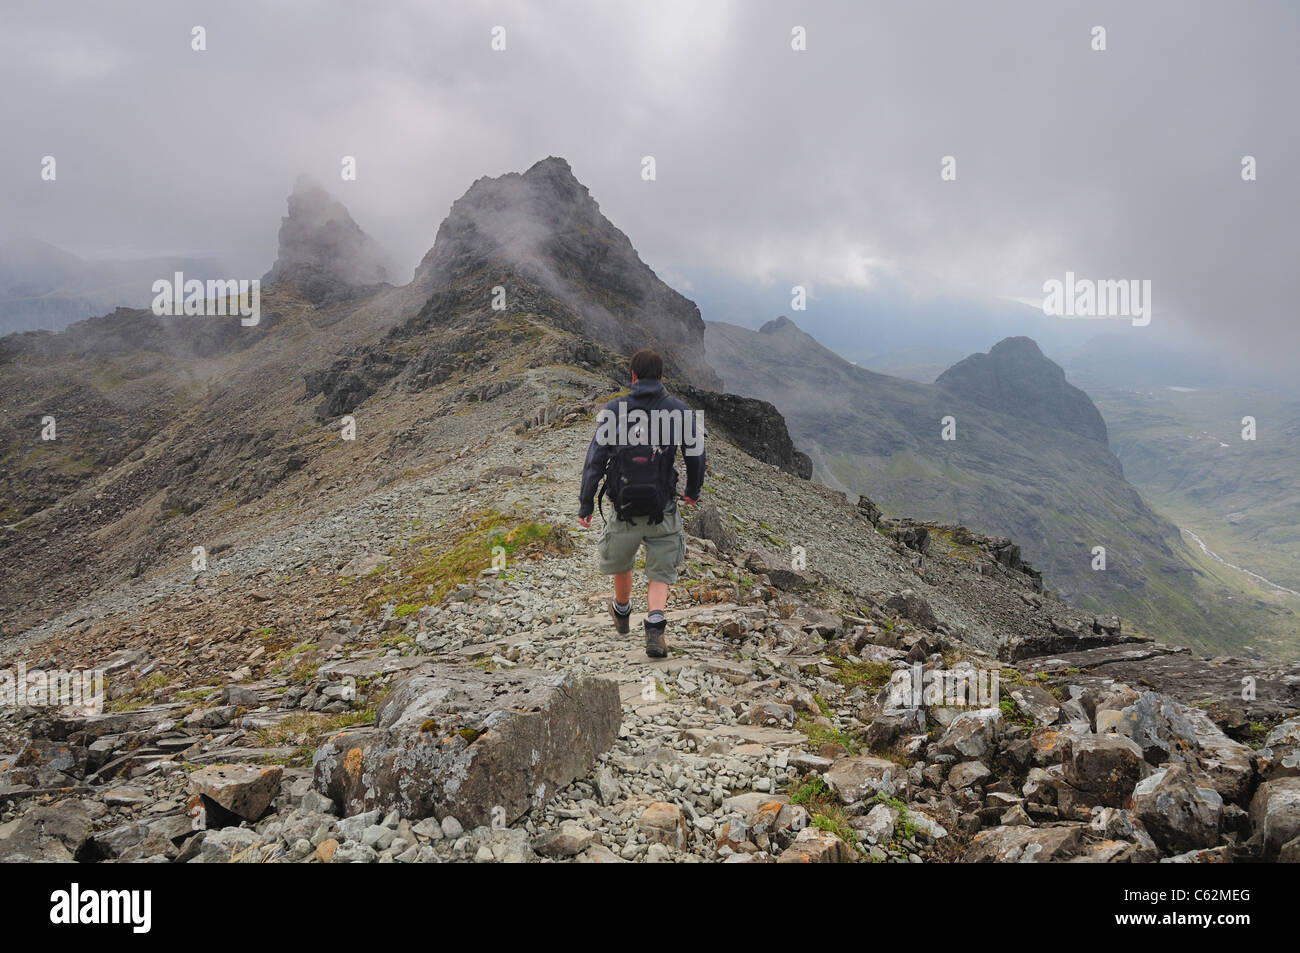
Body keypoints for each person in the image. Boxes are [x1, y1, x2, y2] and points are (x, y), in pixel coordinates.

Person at [578, 348, 705, 658]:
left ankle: (622, 609)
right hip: (662, 507)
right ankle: (655, 627)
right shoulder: (677, 411)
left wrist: (586, 505)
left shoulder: (614, 410)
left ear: (632, 375)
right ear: (662, 377)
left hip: (624, 508)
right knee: (660, 568)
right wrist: (692, 490)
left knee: (622, 561)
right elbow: (696, 454)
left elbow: (595, 460)